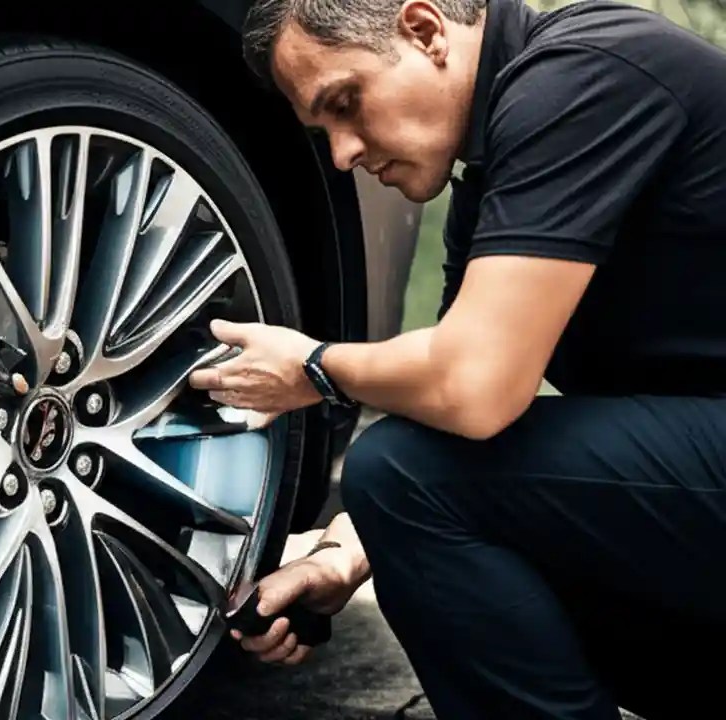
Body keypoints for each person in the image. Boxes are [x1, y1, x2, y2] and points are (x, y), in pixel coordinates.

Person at [188, 0, 726, 717]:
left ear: (425, 30)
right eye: (326, 132)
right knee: (424, 514)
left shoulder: (583, 74)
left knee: (394, 472)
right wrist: (342, 557)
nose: (344, 153)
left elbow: (473, 388)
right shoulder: (493, 181)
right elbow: (448, 414)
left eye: (346, 104)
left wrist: (315, 368)